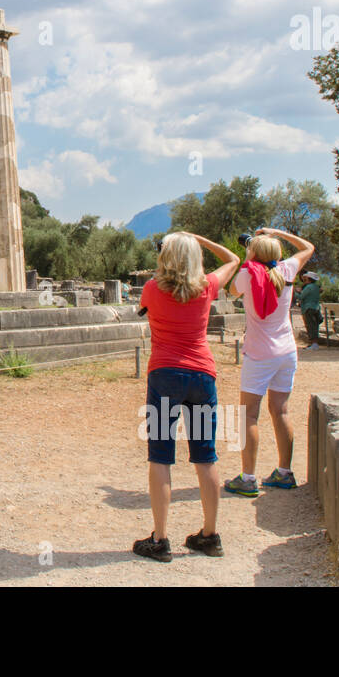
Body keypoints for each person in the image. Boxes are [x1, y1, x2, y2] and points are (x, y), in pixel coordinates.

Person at [133, 231, 239, 562]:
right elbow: (234, 260)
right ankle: (210, 535)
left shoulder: (152, 288)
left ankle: (161, 539)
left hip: (165, 374)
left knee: (161, 454)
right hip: (202, 375)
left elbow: (143, 308)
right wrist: (199, 240)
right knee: (205, 455)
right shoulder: (207, 286)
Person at [223, 227, 314, 497]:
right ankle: (284, 472)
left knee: (250, 415)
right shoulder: (287, 270)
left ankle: (248, 478)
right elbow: (308, 247)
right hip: (286, 351)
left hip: (259, 353)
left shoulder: (247, 274)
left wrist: (250, 259)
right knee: (281, 411)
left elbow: (231, 291)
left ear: (253, 253)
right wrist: (277, 233)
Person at [298, 272, 322, 350]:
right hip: (316, 308)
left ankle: (314, 344)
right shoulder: (316, 287)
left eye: (305, 278)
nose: (304, 279)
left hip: (308, 308)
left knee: (310, 325)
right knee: (315, 325)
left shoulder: (308, 287)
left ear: (309, 279)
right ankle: (314, 343)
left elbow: (301, 296)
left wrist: (296, 292)